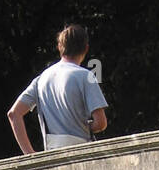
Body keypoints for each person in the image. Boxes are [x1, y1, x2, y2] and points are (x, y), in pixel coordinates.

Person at [7, 23, 108, 155]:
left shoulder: (41, 79)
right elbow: (100, 123)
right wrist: (85, 125)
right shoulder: (86, 76)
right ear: (86, 48)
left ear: (60, 47)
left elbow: (14, 114)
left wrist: (30, 155)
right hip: (82, 153)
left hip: (52, 154)